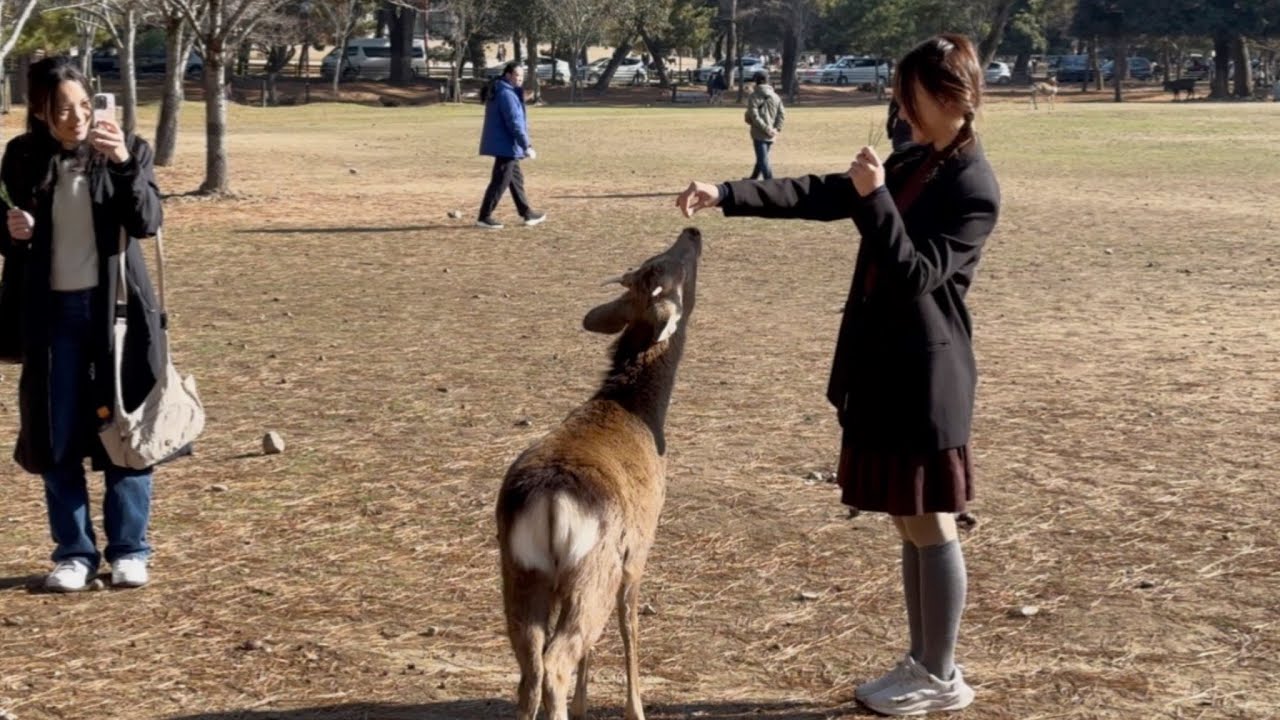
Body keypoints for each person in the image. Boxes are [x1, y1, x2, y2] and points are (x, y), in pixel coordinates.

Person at [676, 34, 998, 716]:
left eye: (907, 96)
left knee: (931, 521)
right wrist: (727, 192)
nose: (897, 107)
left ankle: (940, 675)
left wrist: (876, 198)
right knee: (909, 524)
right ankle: (923, 661)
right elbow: (827, 195)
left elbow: (916, 273)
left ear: (951, 99)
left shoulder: (973, 184)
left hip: (926, 374)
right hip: (885, 365)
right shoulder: (921, 158)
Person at [1, 57, 164, 592]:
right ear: (41, 114)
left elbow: (146, 220)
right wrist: (14, 229)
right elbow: (9, 236)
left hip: (115, 315)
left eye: (84, 105)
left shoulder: (127, 150)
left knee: (126, 429)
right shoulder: (23, 158)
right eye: (62, 109)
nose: (76, 118)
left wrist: (119, 161)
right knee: (56, 431)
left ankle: (130, 550)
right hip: (51, 317)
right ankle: (73, 553)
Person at [476, 61, 546, 230]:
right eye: (517, 75)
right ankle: (484, 217)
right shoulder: (506, 94)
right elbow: (514, 123)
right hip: (506, 145)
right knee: (500, 182)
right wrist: (526, 145)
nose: (520, 79)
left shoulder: (504, 90)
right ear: (508, 75)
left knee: (515, 179)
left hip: (507, 145)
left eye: (522, 76)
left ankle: (527, 213)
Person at [744, 70, 785, 180]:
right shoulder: (776, 96)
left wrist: (766, 129)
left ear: (757, 81)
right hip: (772, 133)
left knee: (763, 160)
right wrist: (777, 128)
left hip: (759, 133)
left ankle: (770, 182)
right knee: (762, 158)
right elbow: (781, 114)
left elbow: (754, 116)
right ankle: (753, 178)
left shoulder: (754, 96)